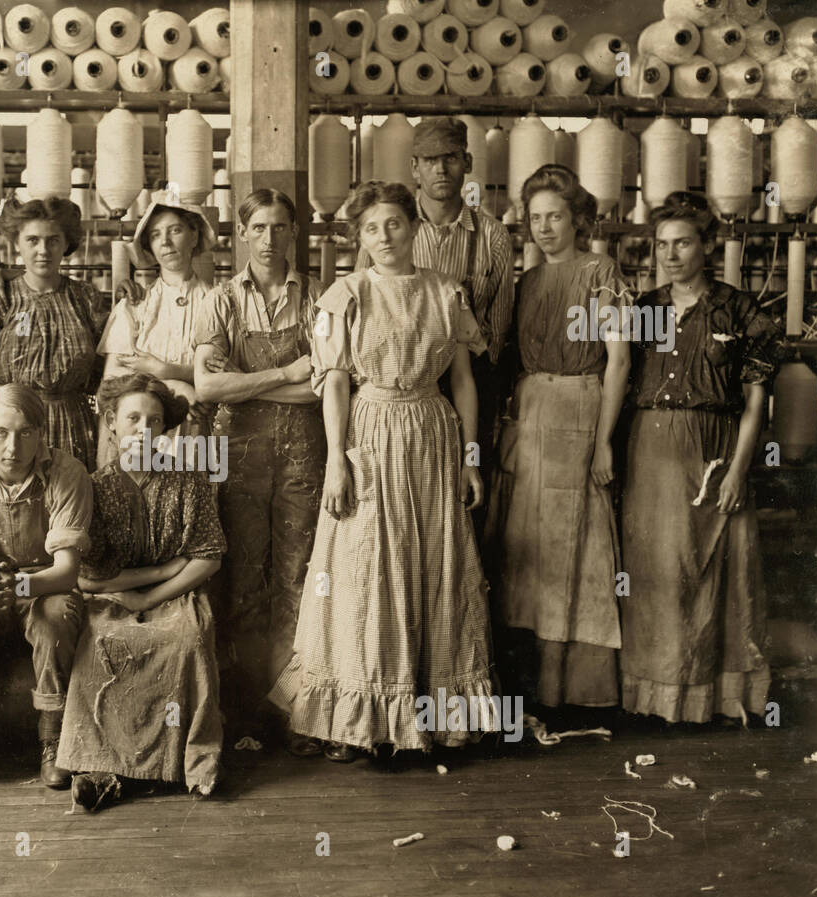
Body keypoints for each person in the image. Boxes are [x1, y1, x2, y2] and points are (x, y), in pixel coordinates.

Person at [268, 181, 496, 760]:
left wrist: (470, 458)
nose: (384, 236)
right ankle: (359, 717)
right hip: (369, 436)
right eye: (371, 228)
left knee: (435, 567)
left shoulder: (447, 293)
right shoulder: (343, 297)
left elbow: (464, 381)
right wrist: (337, 462)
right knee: (366, 571)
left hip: (432, 436)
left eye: (394, 223)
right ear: (358, 238)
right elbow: (336, 385)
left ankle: (430, 714)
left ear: (414, 227)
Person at [621, 191, 784, 723]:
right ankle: (658, 697)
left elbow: (756, 399)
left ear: (707, 246)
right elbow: (620, 381)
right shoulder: (642, 311)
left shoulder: (740, 310)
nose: (670, 255)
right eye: (662, 245)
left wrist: (739, 470)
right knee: (658, 571)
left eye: (683, 243)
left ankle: (713, 698)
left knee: (716, 572)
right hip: (651, 450)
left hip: (715, 448)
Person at [485, 164, 631, 718]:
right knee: (526, 553)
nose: (544, 227)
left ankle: (570, 689)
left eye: (555, 216)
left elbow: (618, 363)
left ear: (579, 219)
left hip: (580, 412)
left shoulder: (600, 272)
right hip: (530, 418)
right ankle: (528, 686)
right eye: (535, 218)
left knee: (575, 547)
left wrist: (604, 443)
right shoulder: (529, 281)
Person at [58, 375, 227, 811]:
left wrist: (152, 596)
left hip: (175, 595)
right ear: (112, 423)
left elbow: (208, 557)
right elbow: (88, 579)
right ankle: (102, 767)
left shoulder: (189, 481)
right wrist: (159, 570)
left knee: (184, 640)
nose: (144, 429)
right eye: (132, 418)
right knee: (101, 643)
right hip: (112, 596)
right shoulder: (93, 487)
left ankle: (182, 766)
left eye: (154, 420)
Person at [193, 188, 322, 745]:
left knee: (298, 577)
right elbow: (207, 385)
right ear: (241, 234)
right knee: (244, 580)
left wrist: (249, 388)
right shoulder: (221, 300)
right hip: (237, 455)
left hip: (304, 453)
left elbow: (324, 387)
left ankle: (292, 713)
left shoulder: (319, 297)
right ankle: (245, 711)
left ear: (295, 233)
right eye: (259, 228)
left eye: (280, 227)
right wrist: (287, 373)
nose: (269, 239)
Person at [357, 117, 514, 528]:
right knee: (396, 507)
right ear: (414, 168)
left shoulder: (492, 236)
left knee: (465, 499)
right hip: (397, 393)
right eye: (429, 161)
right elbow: (363, 305)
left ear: (467, 162)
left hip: (467, 386)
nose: (440, 170)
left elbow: (495, 334)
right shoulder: (391, 229)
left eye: (450, 159)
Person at [0, 383, 93, 789]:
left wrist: (21, 588)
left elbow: (67, 571)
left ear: (41, 432)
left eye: (26, 432)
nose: (13, 446)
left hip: (43, 585)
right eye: (1, 432)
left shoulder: (66, 472)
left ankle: (52, 738)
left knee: (55, 617)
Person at [0, 198, 107, 469]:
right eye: (32, 240)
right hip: (15, 426)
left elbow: (105, 370)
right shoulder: (1, 298)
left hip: (75, 423)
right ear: (16, 243)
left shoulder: (87, 299)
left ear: (66, 243)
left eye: (53, 240)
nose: (43, 250)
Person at [91, 196, 218, 468]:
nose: (166, 242)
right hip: (141, 436)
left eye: (175, 230)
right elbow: (112, 382)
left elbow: (225, 374)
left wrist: (165, 370)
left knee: (196, 501)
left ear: (194, 236)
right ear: (149, 246)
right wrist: (177, 385)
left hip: (199, 430)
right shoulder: (135, 305)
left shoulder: (218, 303)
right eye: (156, 235)